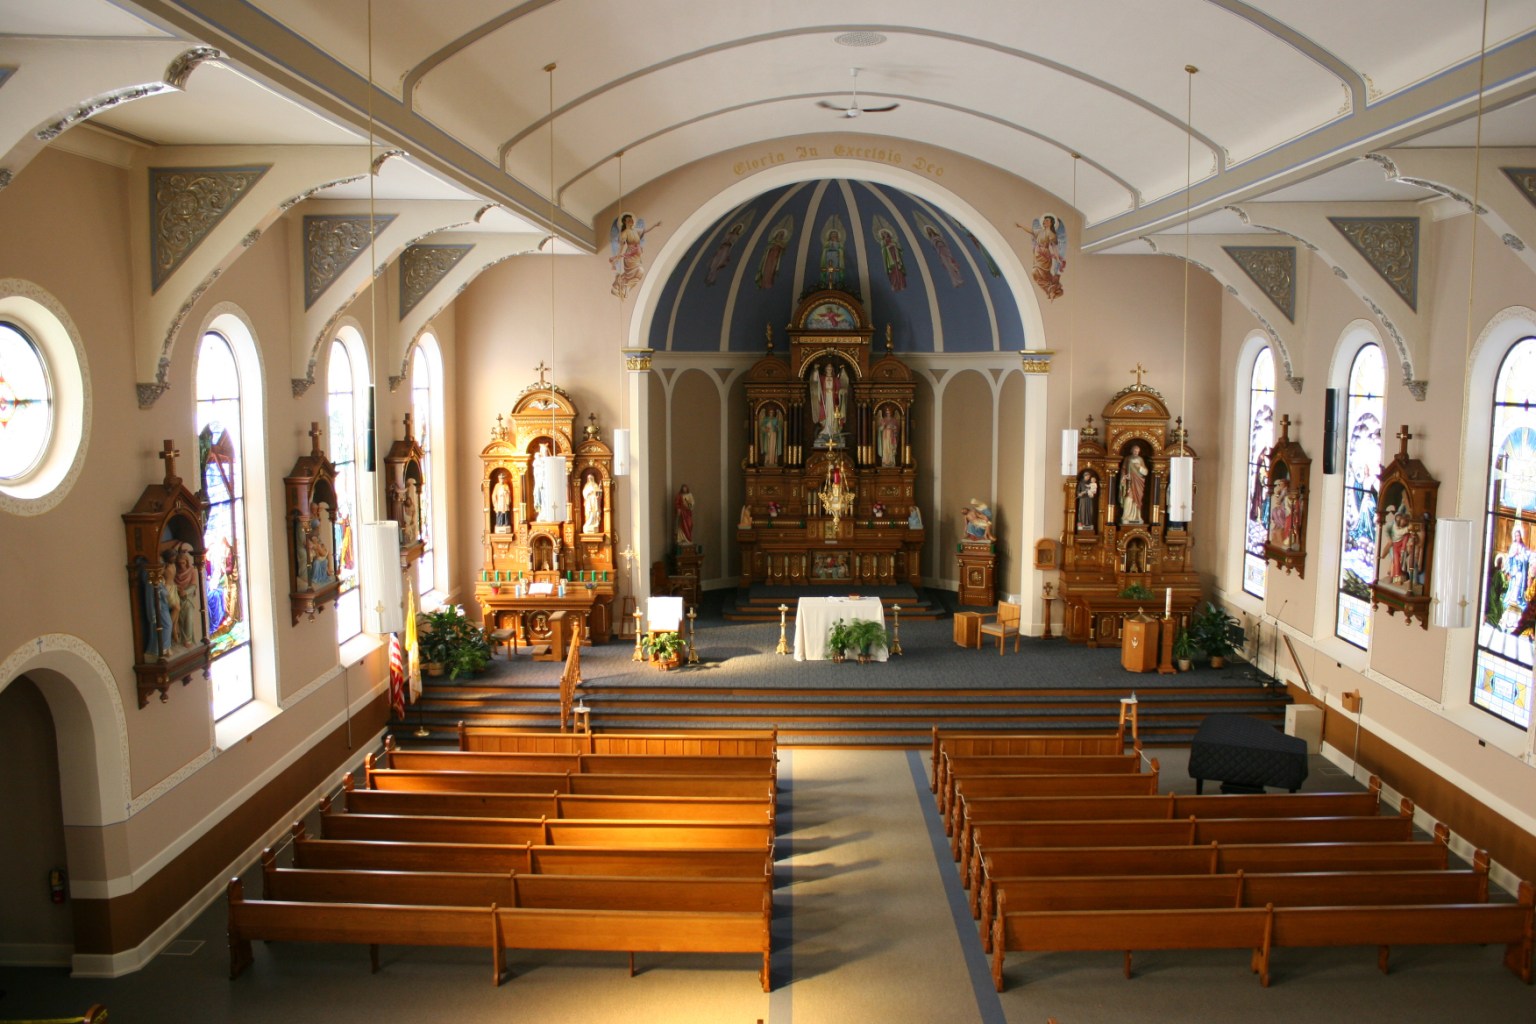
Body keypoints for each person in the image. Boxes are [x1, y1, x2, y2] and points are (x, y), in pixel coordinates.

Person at [609, 211, 658, 299]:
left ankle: (624, 288)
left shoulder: (635, 231)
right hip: (630, 256)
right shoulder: (625, 233)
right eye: (629, 220)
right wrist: (617, 257)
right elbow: (621, 246)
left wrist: (655, 226)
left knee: (637, 274)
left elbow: (645, 231)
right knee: (639, 271)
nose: (631, 221)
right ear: (625, 222)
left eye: (632, 220)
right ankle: (623, 288)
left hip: (637, 256)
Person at [1019, 213, 1065, 300]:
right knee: (1039, 275)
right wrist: (1021, 226)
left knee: (1036, 272)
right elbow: (1031, 231)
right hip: (1037, 254)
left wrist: (1058, 258)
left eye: (1047, 220)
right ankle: (1050, 289)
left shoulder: (1051, 234)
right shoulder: (1040, 232)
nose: (1044, 221)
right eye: (1044, 220)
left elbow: (1054, 247)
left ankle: (1051, 288)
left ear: (1051, 223)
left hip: (1044, 256)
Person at [171, 546, 201, 648]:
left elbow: (194, 585)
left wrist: (186, 592)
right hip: (178, 598)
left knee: (188, 620)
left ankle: (188, 640)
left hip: (188, 599)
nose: (181, 566)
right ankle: (180, 640)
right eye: (179, 564)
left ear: (186, 562)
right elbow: (172, 583)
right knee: (180, 620)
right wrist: (178, 590)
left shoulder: (191, 571)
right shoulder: (175, 572)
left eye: (183, 563)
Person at [1118, 443, 1148, 524]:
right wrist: (1124, 477)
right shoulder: (1127, 459)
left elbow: (1145, 472)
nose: (1136, 452)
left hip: (1138, 481)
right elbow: (1123, 469)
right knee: (1128, 498)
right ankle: (1126, 516)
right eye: (1135, 451)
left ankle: (1137, 516)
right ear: (1132, 451)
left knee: (1137, 498)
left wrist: (1140, 467)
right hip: (1130, 481)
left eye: (1137, 451)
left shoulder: (1141, 459)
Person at [819, 224, 846, 290]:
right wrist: (827, 249)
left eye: (835, 235)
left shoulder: (840, 244)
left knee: (836, 272)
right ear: (829, 236)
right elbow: (824, 250)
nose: (834, 236)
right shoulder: (827, 243)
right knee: (828, 271)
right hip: (828, 259)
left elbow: (842, 251)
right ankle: (827, 283)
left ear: (837, 236)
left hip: (837, 260)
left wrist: (839, 251)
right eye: (832, 235)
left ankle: (836, 283)